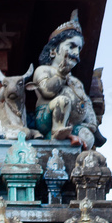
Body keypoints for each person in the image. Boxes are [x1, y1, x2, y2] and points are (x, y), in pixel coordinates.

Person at [31, 11, 101, 150]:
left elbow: (85, 100)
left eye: (79, 49)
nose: (76, 53)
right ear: (53, 50)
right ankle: (57, 132)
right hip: (47, 117)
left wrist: (91, 122)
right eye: (71, 46)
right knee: (62, 101)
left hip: (72, 124)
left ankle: (72, 140)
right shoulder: (44, 70)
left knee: (87, 136)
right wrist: (60, 75)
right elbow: (47, 91)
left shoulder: (76, 82)